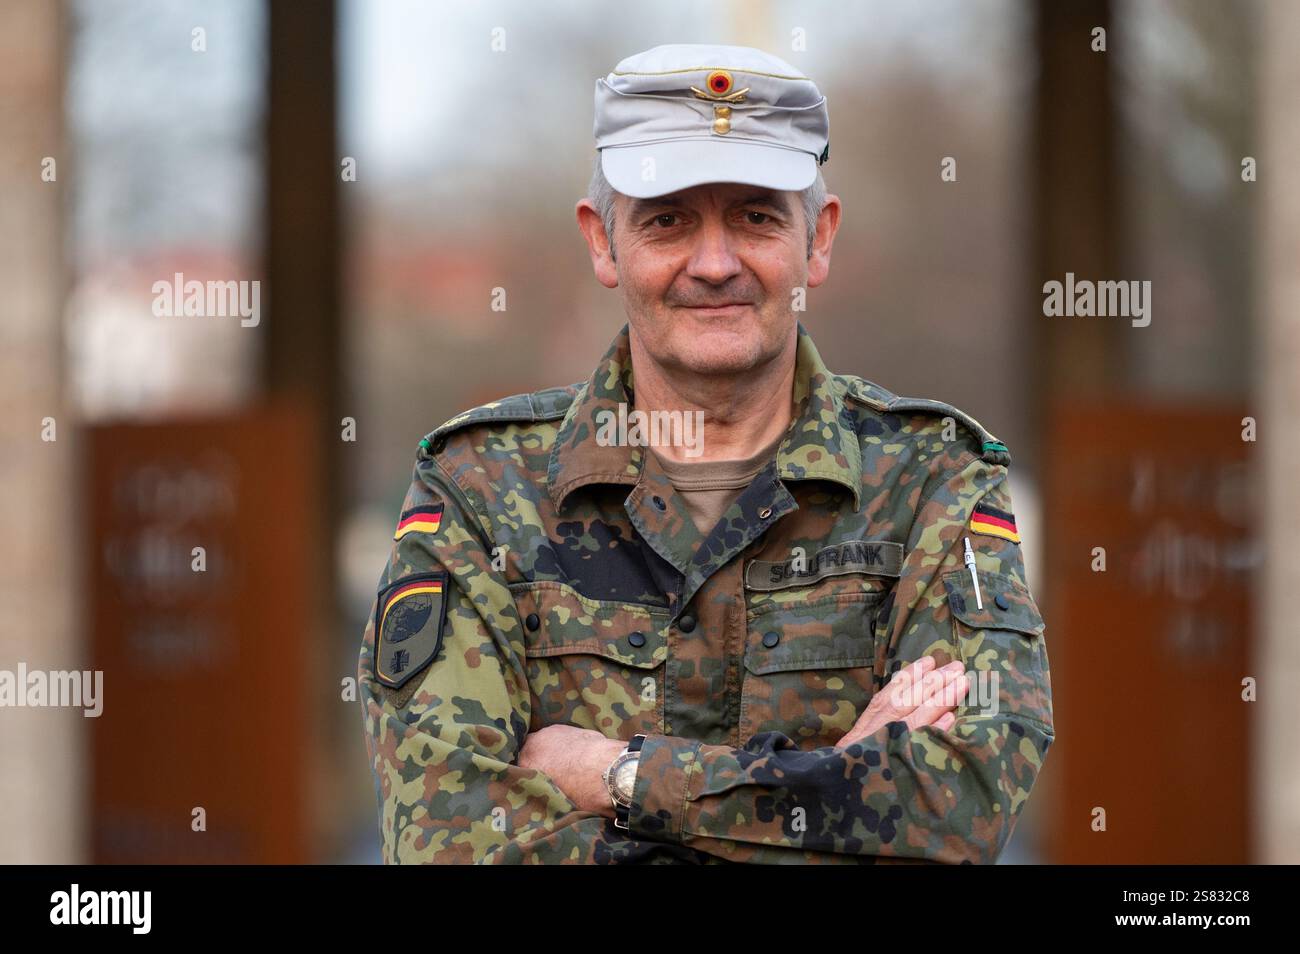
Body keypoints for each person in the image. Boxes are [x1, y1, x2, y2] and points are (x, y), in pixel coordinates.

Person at [359, 43, 1053, 864]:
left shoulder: (933, 479)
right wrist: (833, 780)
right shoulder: (480, 489)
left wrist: (618, 776)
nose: (715, 264)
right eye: (668, 220)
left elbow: (955, 813)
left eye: (757, 216)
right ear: (604, 243)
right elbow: (449, 840)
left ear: (817, 241)